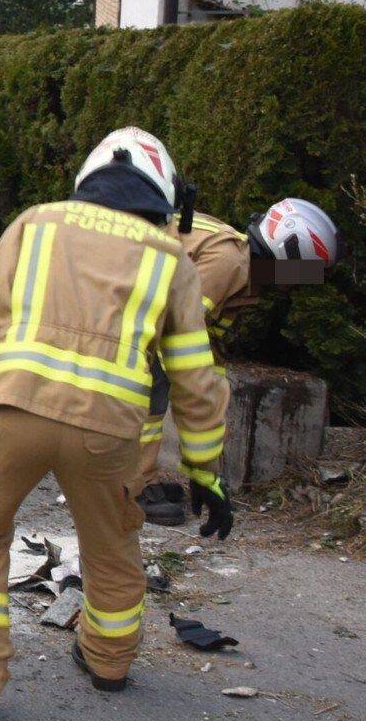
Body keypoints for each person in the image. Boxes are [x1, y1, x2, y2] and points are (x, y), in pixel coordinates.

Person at [0, 126, 232, 720]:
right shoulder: (172, 258)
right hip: (110, 431)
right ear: (163, 197)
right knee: (112, 544)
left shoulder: (36, 223)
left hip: (12, 412)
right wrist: (206, 475)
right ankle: (108, 662)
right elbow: (198, 381)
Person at [133, 198, 343, 525]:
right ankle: (132, 490)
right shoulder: (229, 264)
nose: (299, 286)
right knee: (150, 387)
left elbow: (204, 349)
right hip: (109, 301)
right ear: (287, 252)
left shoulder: (244, 274)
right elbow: (172, 332)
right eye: (306, 272)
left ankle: (137, 481)